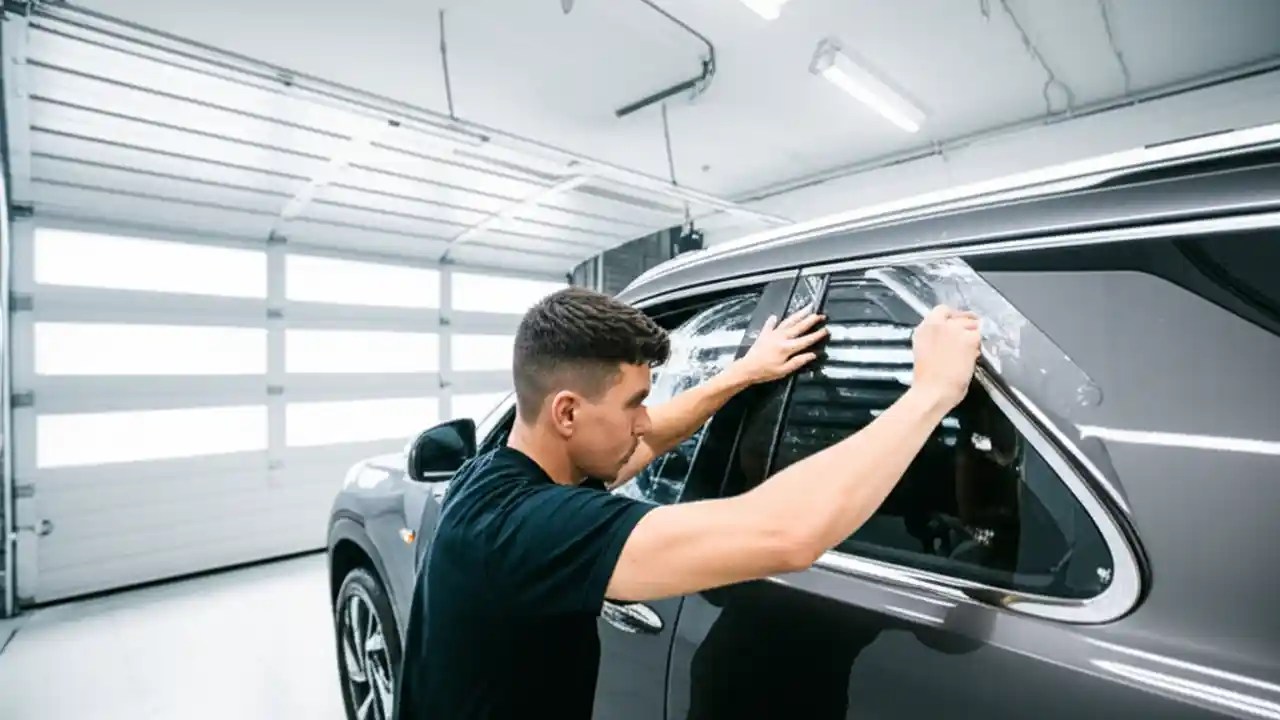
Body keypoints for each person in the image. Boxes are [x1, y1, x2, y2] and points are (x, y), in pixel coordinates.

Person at [392, 286, 981, 720]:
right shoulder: (526, 529)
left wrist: (743, 374)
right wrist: (931, 392)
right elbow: (787, 535)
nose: (645, 418)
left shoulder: (497, 469)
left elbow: (641, 443)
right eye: (634, 401)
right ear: (568, 412)